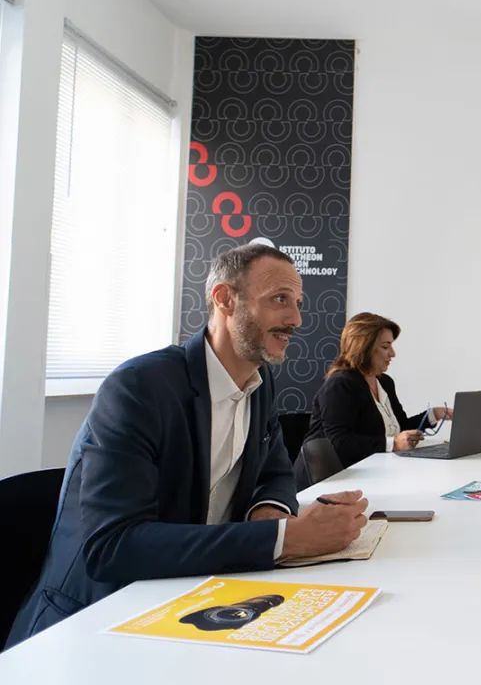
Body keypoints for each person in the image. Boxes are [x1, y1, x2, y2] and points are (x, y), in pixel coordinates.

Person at [7, 244, 368, 647]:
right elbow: (113, 547)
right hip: (96, 624)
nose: (296, 319)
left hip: (197, 601)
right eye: (279, 300)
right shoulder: (140, 388)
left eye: (298, 302)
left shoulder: (260, 384)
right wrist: (287, 539)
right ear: (225, 299)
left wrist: (271, 511)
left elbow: (275, 469)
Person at [304, 312, 452, 467]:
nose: (392, 353)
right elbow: (339, 443)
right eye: (385, 346)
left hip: (377, 470)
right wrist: (392, 444)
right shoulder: (340, 384)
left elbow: (400, 428)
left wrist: (434, 414)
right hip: (338, 477)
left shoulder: (385, 382)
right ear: (363, 348)